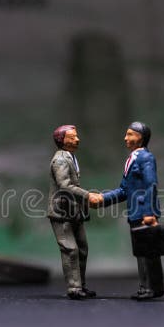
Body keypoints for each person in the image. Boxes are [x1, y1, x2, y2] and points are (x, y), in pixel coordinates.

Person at [89, 122, 164, 300]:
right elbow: (124, 190)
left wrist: (149, 213)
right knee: (141, 252)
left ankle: (151, 288)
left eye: (130, 134)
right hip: (135, 212)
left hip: (143, 213)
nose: (126, 138)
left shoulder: (145, 158)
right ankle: (146, 286)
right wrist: (103, 199)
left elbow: (151, 185)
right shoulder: (132, 159)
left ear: (141, 137)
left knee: (149, 253)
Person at [48, 125, 95, 300]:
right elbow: (65, 185)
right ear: (62, 140)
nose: (77, 139)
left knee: (82, 249)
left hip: (74, 212)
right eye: (73, 137)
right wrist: (88, 196)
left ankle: (81, 285)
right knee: (70, 250)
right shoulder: (60, 160)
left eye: (77, 136)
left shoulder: (70, 157)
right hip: (62, 213)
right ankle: (74, 288)